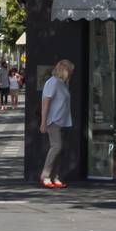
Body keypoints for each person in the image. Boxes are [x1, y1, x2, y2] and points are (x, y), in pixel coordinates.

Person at [39, 59, 74, 188]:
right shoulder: (52, 82)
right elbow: (45, 102)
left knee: (60, 150)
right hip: (53, 121)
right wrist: (43, 122)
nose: (71, 74)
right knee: (56, 147)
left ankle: (55, 176)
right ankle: (46, 175)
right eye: (70, 71)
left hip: (63, 121)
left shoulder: (63, 83)